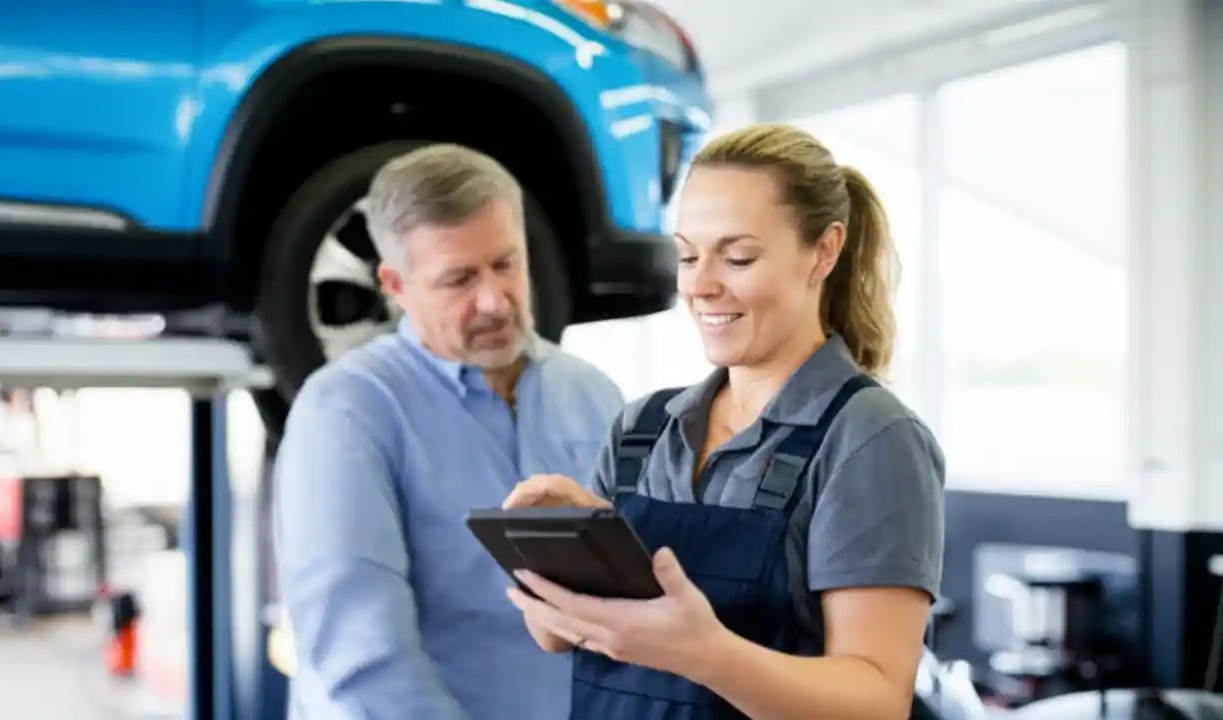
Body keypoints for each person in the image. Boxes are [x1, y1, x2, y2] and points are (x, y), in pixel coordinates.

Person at [503, 123, 946, 720]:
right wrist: (561, 561)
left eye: (738, 257)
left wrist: (706, 655)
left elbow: (875, 700)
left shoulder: (870, 438)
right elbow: (560, 639)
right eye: (687, 255)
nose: (700, 285)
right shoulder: (642, 429)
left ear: (824, 251)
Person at [272, 143, 625, 719]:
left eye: (506, 264)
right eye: (458, 279)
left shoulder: (592, 394)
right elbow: (361, 657)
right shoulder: (346, 410)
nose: (493, 300)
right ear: (395, 284)